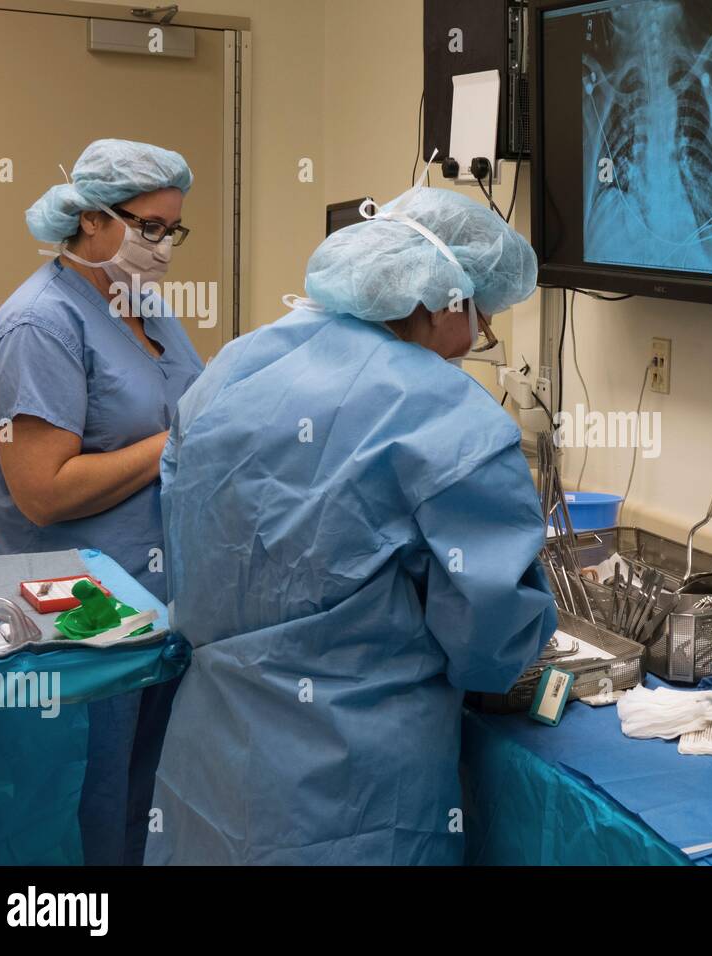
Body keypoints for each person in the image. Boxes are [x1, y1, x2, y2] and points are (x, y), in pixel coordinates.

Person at [146, 186, 557, 865]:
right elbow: (492, 636)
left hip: (214, 748)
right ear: (437, 297)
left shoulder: (237, 366)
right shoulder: (447, 414)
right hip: (348, 786)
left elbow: (186, 530)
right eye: (481, 315)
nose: (480, 337)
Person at [0, 139, 204, 865]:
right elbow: (43, 494)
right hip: (81, 620)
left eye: (174, 229)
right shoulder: (39, 325)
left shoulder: (148, 309)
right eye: (149, 228)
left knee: (151, 800)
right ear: (91, 220)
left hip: (160, 608)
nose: (163, 246)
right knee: (88, 807)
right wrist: (177, 442)